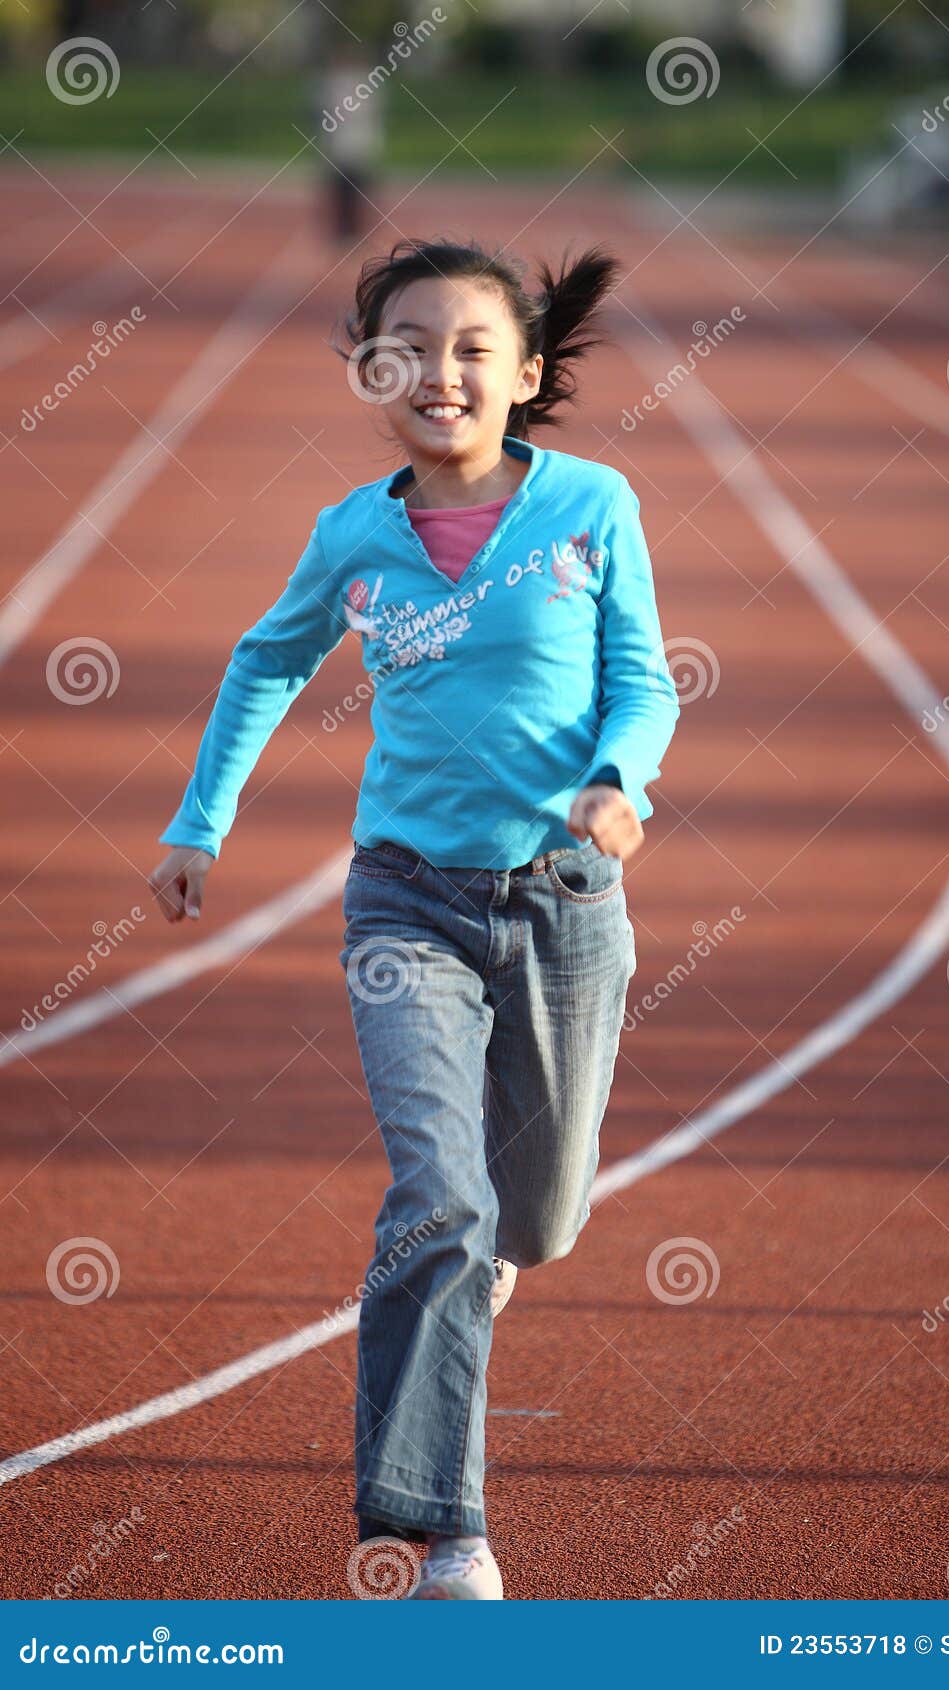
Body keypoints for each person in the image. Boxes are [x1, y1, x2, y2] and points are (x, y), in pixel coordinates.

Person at [147, 239, 680, 1599]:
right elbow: (266, 660)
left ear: (526, 371)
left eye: (470, 347)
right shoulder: (353, 533)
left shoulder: (590, 505)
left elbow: (643, 681)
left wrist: (617, 784)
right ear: (369, 370)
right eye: (407, 348)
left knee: (536, 1217)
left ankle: (496, 1255)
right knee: (437, 1198)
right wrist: (197, 824)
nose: (438, 373)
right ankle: (435, 1522)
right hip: (404, 902)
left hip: (564, 899)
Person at [315, 44, 385, 245]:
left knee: (359, 194)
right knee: (340, 194)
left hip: (359, 147)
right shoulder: (332, 86)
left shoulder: (366, 86)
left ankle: (356, 233)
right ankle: (341, 232)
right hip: (338, 148)